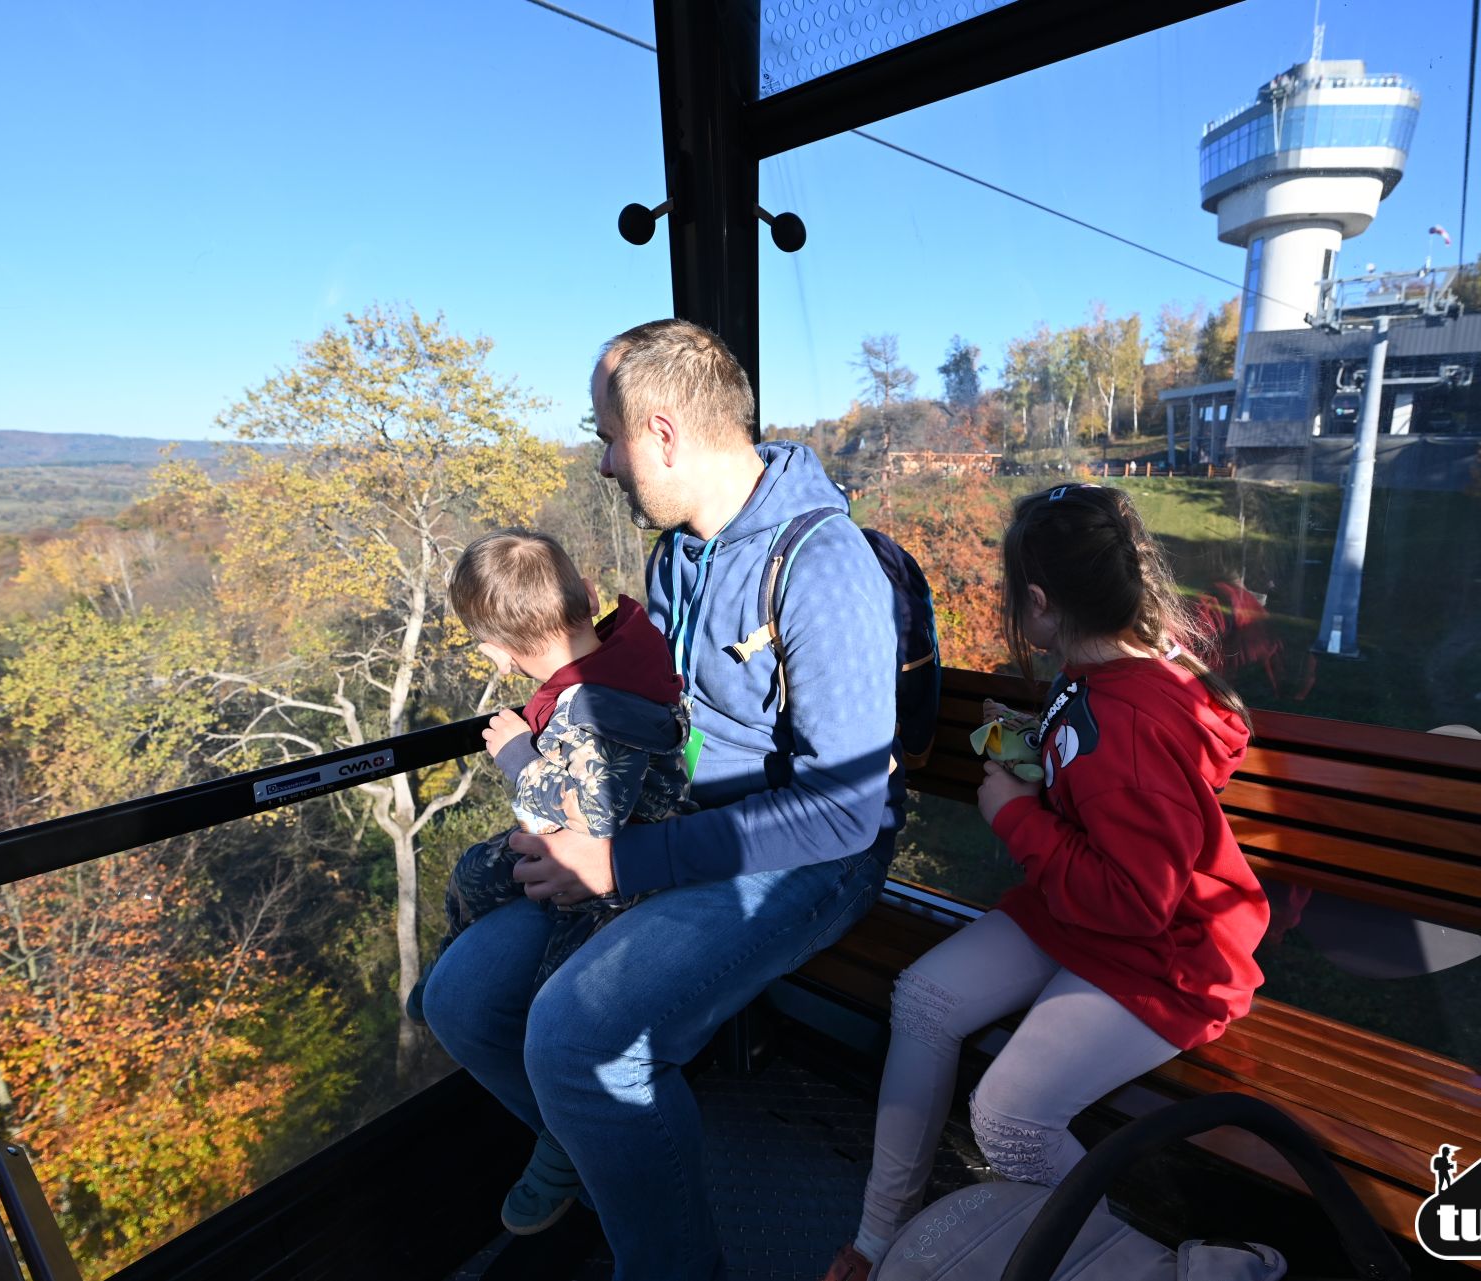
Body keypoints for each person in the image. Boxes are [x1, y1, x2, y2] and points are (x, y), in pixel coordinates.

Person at [420, 319, 900, 1280]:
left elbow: (844, 812)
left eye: (608, 436)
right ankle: (623, 1172)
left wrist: (615, 862)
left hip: (804, 861)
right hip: (676, 836)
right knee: (463, 998)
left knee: (577, 1036)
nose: (602, 462)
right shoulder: (677, 559)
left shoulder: (822, 566)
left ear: (664, 432)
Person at [822, 483, 1270, 1280]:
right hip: (1081, 912)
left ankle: (1154, 1268)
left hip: (1164, 956)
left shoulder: (1126, 733)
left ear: (1039, 601)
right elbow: (1110, 787)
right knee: (924, 998)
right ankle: (881, 1233)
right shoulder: (1108, 669)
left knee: (1010, 1119)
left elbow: (1139, 899)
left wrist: (1013, 815)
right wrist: (1041, 743)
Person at [407, 527, 693, 1235]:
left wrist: (516, 759)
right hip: (579, 848)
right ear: (587, 596)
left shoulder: (601, 705)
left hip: (621, 872)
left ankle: (568, 1137)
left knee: (553, 1011)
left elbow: (592, 814)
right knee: (476, 870)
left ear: (496, 654)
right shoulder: (620, 658)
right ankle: (449, 956)